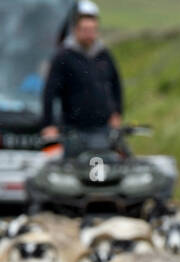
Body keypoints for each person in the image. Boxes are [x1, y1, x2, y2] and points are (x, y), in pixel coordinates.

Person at [41, 0, 123, 156]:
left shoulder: (103, 55)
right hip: (74, 130)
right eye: (85, 30)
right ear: (76, 30)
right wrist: (49, 124)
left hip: (102, 128)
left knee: (101, 171)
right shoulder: (63, 56)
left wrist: (117, 113)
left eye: (92, 30)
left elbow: (116, 85)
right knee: (74, 171)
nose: (89, 34)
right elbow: (49, 92)